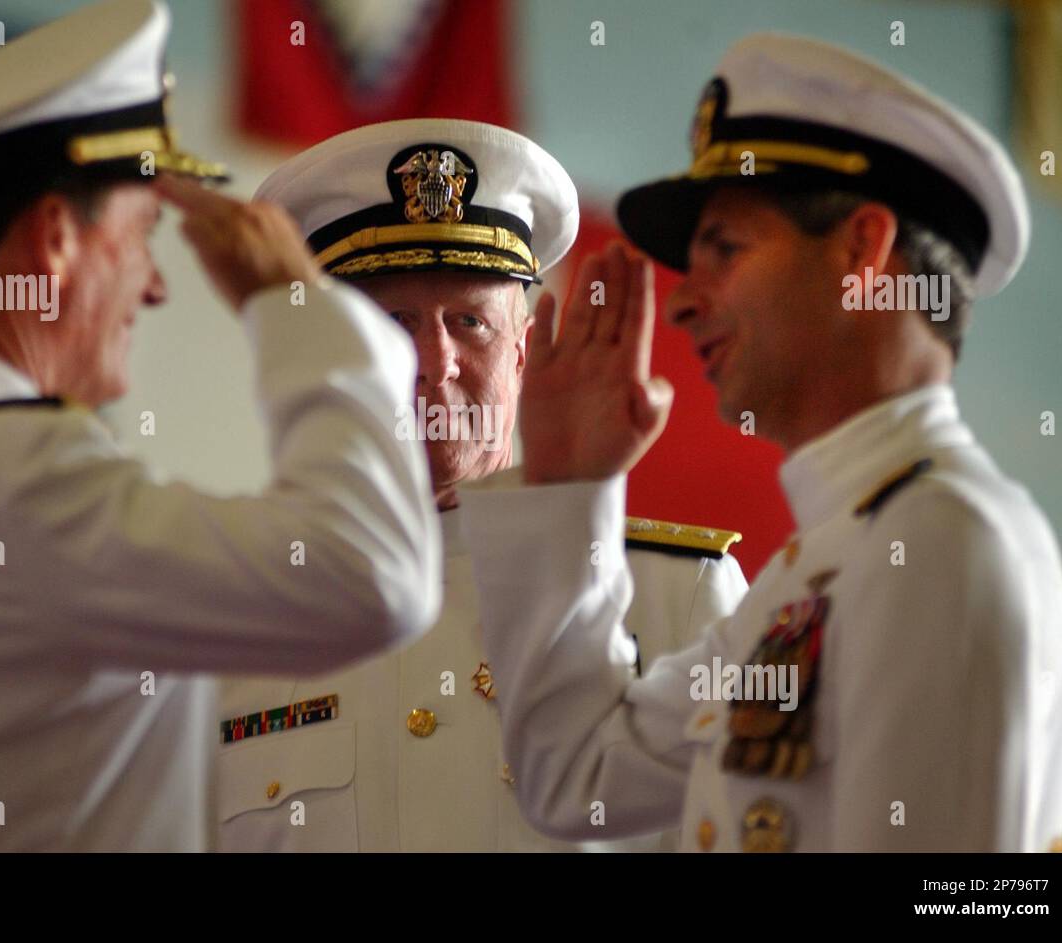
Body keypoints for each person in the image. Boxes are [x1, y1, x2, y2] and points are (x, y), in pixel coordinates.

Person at [0, 0, 440, 851]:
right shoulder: (8, 477)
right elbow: (375, 577)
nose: (156, 287)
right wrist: (297, 308)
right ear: (58, 239)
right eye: (142, 236)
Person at [454, 33, 1062, 852]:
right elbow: (579, 778)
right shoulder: (830, 562)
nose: (685, 306)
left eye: (725, 248)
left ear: (861, 249)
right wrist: (568, 489)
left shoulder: (937, 540)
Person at [213, 118, 747, 852]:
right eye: (394, 321)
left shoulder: (677, 599)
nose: (436, 361)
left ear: (525, 352)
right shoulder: (228, 628)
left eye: (469, 321)